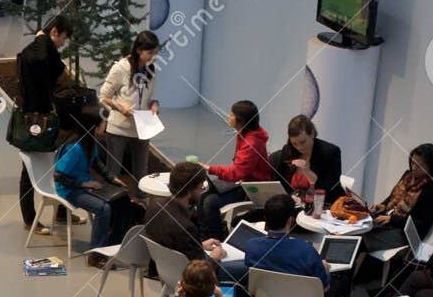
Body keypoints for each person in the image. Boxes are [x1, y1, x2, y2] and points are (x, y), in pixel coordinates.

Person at [356, 143, 433, 276]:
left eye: (419, 165)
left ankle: (346, 281)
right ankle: (348, 279)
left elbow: (418, 224)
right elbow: (392, 199)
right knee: (356, 227)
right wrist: (382, 206)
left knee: (360, 238)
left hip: (405, 233)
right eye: (413, 163)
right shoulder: (408, 175)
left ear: (431, 166)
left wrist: (391, 218)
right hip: (390, 223)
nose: (414, 168)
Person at [15, 13, 72, 228]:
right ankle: (30, 220)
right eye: (63, 38)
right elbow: (58, 73)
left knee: (58, 164)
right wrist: (43, 39)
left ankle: (60, 210)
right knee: (29, 170)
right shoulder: (40, 51)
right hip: (36, 122)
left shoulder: (38, 50)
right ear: (54, 32)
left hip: (39, 118)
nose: (62, 43)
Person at [199, 100, 272, 239]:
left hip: (250, 189)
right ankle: (203, 238)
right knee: (202, 195)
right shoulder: (244, 132)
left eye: (232, 114)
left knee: (210, 202)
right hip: (241, 182)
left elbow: (237, 172)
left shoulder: (252, 142)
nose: (229, 116)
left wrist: (210, 168)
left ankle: (217, 239)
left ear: (241, 121)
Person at [99, 30, 161, 192]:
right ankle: (111, 205)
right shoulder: (120, 68)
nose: (153, 56)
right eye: (150, 53)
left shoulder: (151, 70)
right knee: (113, 172)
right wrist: (120, 107)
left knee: (142, 173)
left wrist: (154, 104)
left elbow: (147, 99)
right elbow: (104, 96)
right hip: (118, 129)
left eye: (156, 53)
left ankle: (141, 204)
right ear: (139, 50)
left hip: (142, 128)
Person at [53, 106, 115, 248]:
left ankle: (111, 242)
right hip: (68, 189)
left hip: (81, 183)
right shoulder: (75, 148)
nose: (105, 126)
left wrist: (111, 178)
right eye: (103, 123)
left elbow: (96, 162)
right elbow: (58, 176)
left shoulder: (90, 141)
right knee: (103, 208)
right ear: (94, 126)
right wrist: (84, 184)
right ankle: (96, 252)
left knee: (119, 199)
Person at [143, 160, 225, 265]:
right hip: (191, 276)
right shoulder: (186, 227)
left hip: (164, 269)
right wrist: (214, 257)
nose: (201, 193)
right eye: (201, 188)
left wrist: (199, 245)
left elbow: (174, 247)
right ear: (189, 192)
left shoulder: (154, 205)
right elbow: (200, 272)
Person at [269, 114, 344, 208]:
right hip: (295, 206)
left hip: (324, 206)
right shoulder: (288, 150)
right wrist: (291, 197)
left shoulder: (330, 152)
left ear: (312, 133)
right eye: (294, 143)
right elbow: (282, 182)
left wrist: (307, 172)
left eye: (302, 142)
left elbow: (329, 186)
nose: (299, 147)